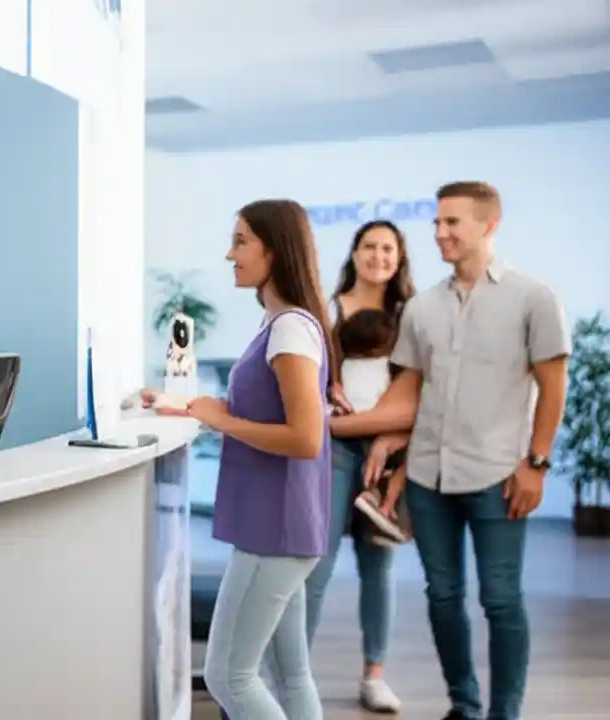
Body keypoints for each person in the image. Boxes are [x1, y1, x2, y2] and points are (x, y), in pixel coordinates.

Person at [332, 181, 570, 720]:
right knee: (442, 597)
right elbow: (410, 389)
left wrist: (537, 462)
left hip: (498, 476)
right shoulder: (422, 308)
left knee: (501, 600)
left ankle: (503, 714)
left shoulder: (533, 297)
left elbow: (553, 387)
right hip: (427, 477)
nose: (438, 233)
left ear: (489, 224)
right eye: (436, 223)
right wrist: (387, 435)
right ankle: (464, 705)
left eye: (451, 223)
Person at [144, 199, 332, 720]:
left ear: (276, 250)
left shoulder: (290, 329)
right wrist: (181, 404)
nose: (230, 254)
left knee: (229, 677)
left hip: (274, 531)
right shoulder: (281, 325)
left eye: (242, 240)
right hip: (285, 528)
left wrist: (220, 421)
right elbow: (258, 411)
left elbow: (304, 438)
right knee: (290, 676)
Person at [303, 220, 416, 713]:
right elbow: (314, 377)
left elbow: (420, 387)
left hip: (390, 454)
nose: (378, 255)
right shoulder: (329, 310)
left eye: (387, 248)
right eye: (369, 246)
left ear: (399, 257)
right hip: (334, 448)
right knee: (316, 566)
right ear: (355, 253)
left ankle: (375, 675)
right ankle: (295, 675)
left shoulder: (412, 314)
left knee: (379, 566)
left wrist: (390, 438)